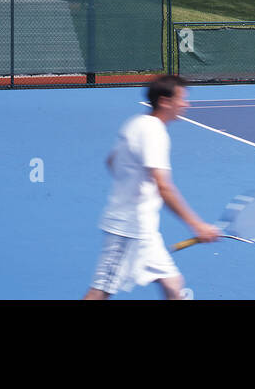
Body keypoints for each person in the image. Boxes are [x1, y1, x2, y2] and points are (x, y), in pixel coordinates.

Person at [83, 74, 219, 299]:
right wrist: (198, 225)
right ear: (165, 101)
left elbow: (111, 161)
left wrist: (131, 184)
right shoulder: (155, 133)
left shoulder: (136, 123)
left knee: (173, 285)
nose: (186, 104)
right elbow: (163, 187)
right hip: (128, 229)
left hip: (144, 230)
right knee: (101, 291)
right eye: (181, 99)